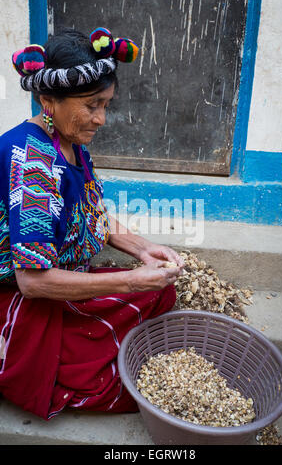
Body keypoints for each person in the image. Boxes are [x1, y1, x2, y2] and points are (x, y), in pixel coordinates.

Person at [0, 27, 184, 420]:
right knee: (115, 389)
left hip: (61, 281)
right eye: (92, 105)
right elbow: (33, 282)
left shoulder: (71, 141)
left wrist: (141, 248)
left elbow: (89, 211)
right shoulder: (33, 162)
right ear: (48, 100)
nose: (101, 119)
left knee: (162, 294)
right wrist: (133, 279)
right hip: (23, 296)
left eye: (106, 104)